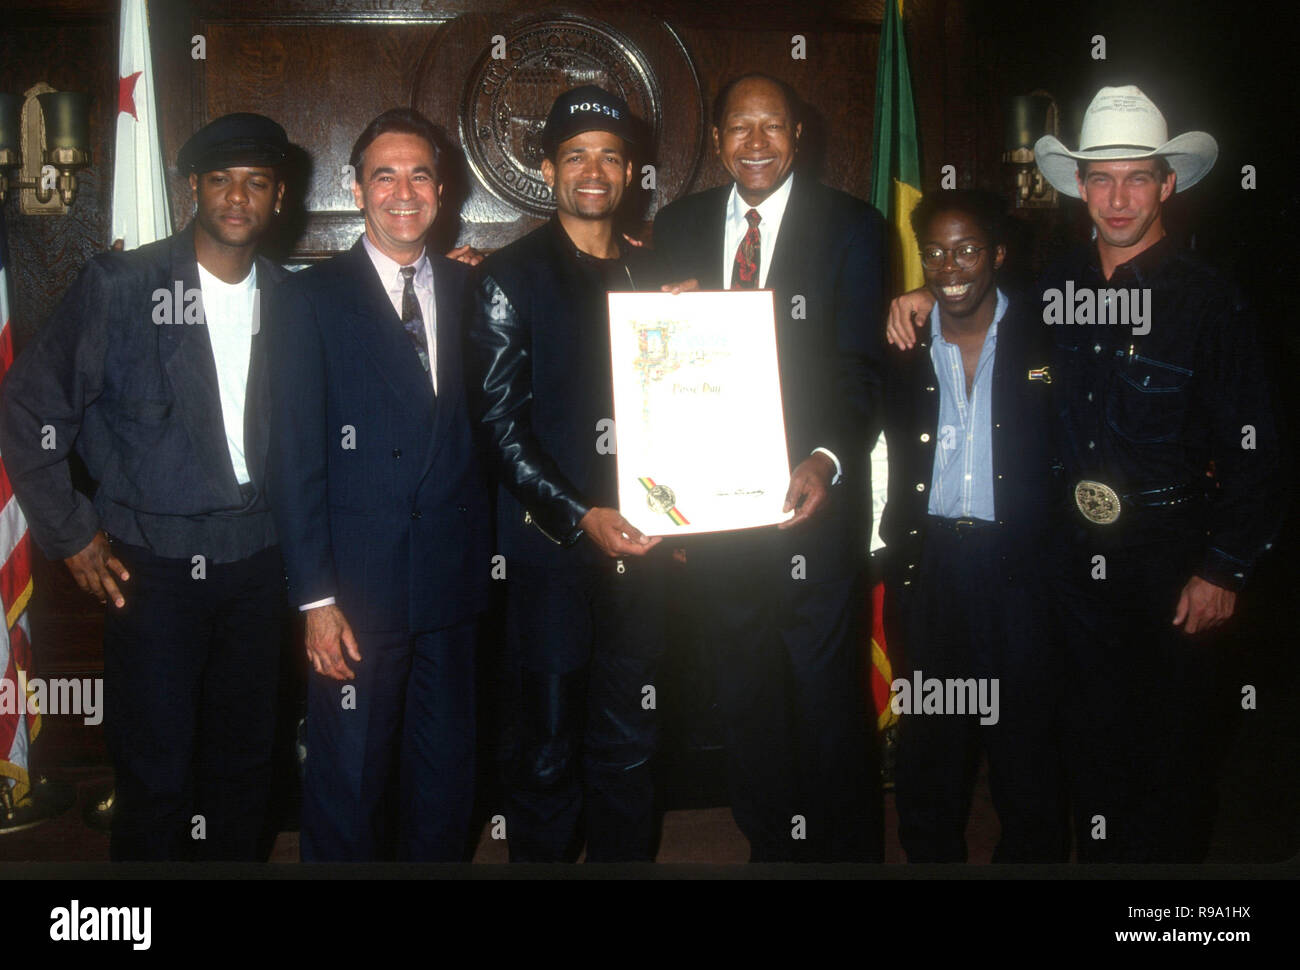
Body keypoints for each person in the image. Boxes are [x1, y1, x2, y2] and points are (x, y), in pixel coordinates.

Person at [886, 86, 1283, 862]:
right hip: (1063, 573)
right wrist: (921, 295)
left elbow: (1256, 450)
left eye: (1137, 178)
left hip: (1168, 569)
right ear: (1080, 188)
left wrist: (1223, 569)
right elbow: (975, 305)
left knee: (1167, 770)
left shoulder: (1212, 305)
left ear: (1169, 185)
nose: (1118, 196)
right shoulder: (1050, 290)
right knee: (1083, 763)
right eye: (1101, 178)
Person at [0, 114, 291, 860]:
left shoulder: (296, 301)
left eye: (255, 182)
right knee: (156, 775)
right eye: (220, 179)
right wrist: (69, 533)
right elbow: (29, 407)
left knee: (246, 771)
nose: (236, 197)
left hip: (261, 564)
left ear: (279, 198)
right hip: (151, 569)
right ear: (191, 187)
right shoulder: (122, 286)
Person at [653, 73, 886, 861]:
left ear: (799, 136)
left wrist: (825, 458)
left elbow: (861, 367)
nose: (757, 143)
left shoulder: (853, 227)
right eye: (739, 128)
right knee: (744, 693)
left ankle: (841, 851)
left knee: (825, 699)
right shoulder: (676, 225)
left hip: (811, 507)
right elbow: (652, 366)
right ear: (717, 141)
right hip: (717, 515)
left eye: (773, 126)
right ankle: (770, 846)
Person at [266, 107, 490, 861]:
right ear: (355, 190)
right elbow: (293, 458)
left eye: (420, 174)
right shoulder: (309, 298)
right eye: (384, 175)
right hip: (356, 595)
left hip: (452, 588)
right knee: (349, 781)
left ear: (442, 189)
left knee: (446, 779)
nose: (404, 191)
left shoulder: (471, 293)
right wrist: (315, 600)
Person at [466, 86, 669, 862]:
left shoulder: (655, 278)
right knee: (546, 748)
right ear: (547, 169)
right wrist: (581, 514)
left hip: (646, 551)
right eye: (576, 155)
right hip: (551, 554)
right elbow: (498, 428)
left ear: (630, 173)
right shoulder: (508, 277)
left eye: (611, 157)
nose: (595, 171)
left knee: (631, 740)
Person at [880, 190, 1067, 862]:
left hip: (1021, 573)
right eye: (933, 250)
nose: (948, 264)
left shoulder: (1049, 332)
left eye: (965, 249)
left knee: (1027, 754)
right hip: (929, 571)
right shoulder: (898, 344)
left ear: (997, 254)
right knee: (932, 750)